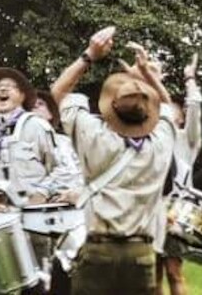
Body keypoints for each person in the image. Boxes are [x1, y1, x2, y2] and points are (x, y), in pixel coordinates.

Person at [52, 27, 177, 295]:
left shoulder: (93, 134)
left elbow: (58, 93)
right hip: (141, 252)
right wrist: (148, 76)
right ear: (149, 113)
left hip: (99, 250)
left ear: (111, 107)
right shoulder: (161, 143)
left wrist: (89, 54)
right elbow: (169, 109)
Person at [0, 63, 67, 294]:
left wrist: (42, 193)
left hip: (32, 222)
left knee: (35, 286)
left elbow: (63, 169)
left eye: (10, 86)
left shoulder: (36, 126)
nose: (2, 90)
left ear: (23, 96)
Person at [157, 54, 202, 295]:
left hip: (177, 211)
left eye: (174, 109)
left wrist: (190, 78)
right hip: (153, 210)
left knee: (174, 271)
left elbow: (194, 107)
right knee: (153, 274)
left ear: (182, 117)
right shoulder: (154, 139)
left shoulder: (188, 139)